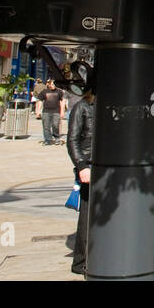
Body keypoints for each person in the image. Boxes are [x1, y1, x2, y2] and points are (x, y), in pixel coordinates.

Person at [66, 73, 95, 275]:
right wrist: (82, 166)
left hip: (108, 167)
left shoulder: (108, 107)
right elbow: (72, 140)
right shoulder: (82, 107)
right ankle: (81, 262)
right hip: (89, 167)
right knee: (87, 216)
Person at [39, 79, 65, 146]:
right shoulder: (44, 92)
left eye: (54, 84)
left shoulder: (59, 91)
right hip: (46, 111)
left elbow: (62, 101)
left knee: (55, 125)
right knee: (46, 126)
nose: (53, 86)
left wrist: (62, 111)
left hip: (56, 111)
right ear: (49, 84)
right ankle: (48, 140)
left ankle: (57, 138)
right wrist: (38, 111)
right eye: (52, 84)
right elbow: (40, 101)